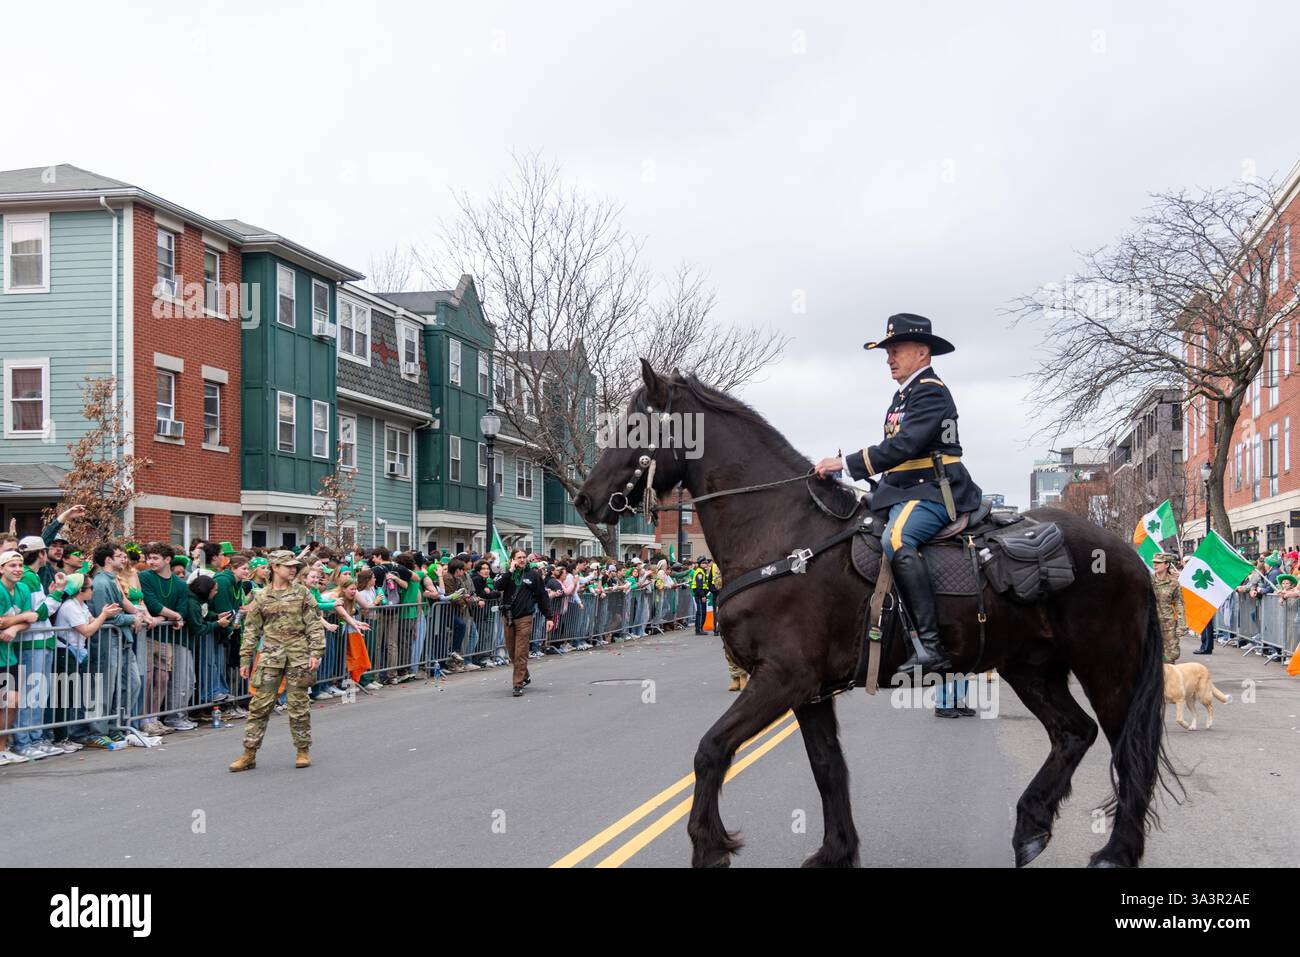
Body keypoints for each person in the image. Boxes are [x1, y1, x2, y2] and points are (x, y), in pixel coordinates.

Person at [816, 313, 983, 676]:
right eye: (887, 351)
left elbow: (905, 445)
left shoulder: (930, 391)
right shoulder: (904, 394)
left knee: (897, 538)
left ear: (922, 352)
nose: (889, 358)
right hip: (905, 489)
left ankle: (931, 646)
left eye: (897, 350)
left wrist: (845, 464)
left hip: (935, 492)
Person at [229, 551, 324, 772]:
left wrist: (316, 653)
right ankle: (249, 753)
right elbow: (251, 630)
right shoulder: (260, 596)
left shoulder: (302, 593)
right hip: (270, 656)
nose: (293, 569)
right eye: (287, 565)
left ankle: (303, 749)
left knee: (298, 705)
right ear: (274, 567)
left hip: (298, 656)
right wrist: (245, 658)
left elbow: (314, 624)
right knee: (259, 706)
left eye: (294, 566)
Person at [493, 549, 554, 697]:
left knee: (521, 651)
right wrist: (510, 571)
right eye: (518, 557)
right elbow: (498, 586)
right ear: (512, 559)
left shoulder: (533, 575)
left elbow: (542, 596)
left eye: (523, 557)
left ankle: (517, 684)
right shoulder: (507, 574)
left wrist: (549, 617)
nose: (522, 560)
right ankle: (524, 675)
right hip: (508, 617)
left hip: (525, 617)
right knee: (512, 652)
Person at [1152, 552, 1189, 664]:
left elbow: (1179, 604)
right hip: (1151, 623)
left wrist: (1182, 625)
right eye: (1154, 562)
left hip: (1168, 624)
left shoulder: (1174, 583)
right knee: (1151, 653)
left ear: (1167, 564)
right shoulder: (1148, 581)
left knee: (1171, 654)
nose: (1155, 565)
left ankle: (1169, 679)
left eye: (1159, 563)